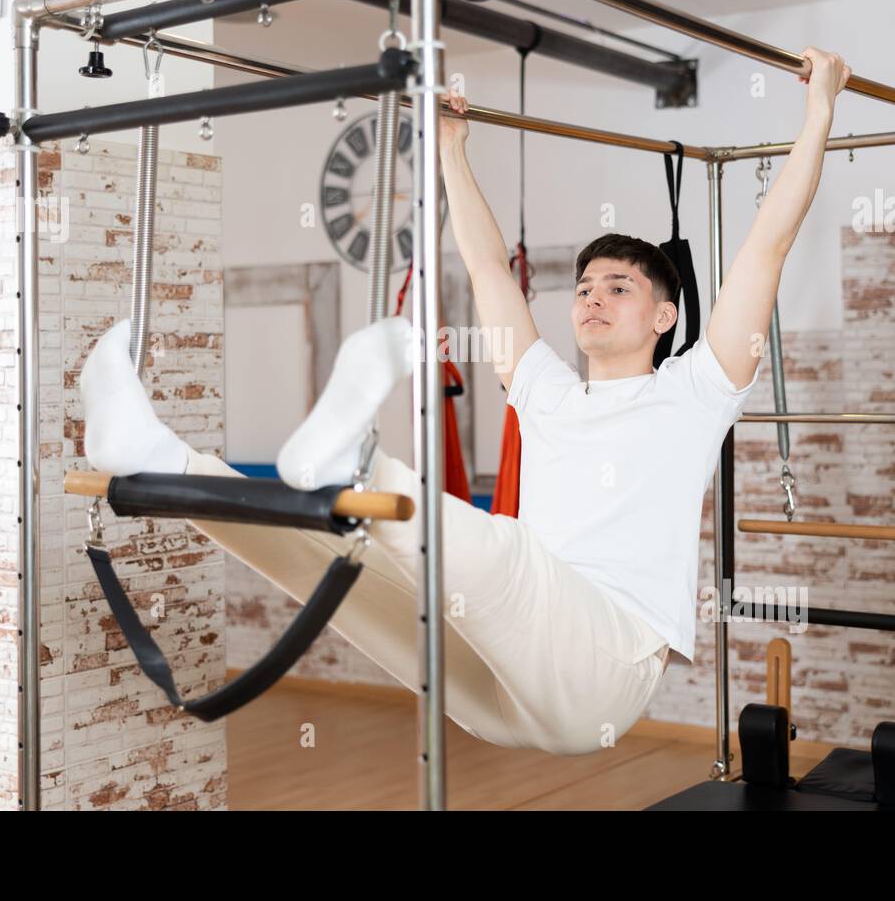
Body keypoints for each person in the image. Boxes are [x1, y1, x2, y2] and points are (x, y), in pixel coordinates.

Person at [80, 47, 852, 755]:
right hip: (488, 685)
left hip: (602, 672)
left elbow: (766, 247)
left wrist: (820, 109)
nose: (592, 299)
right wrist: (449, 149)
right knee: (331, 562)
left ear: (664, 317)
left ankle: (360, 463)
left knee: (511, 557)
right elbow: (486, 267)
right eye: (582, 288)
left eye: (620, 287)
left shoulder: (698, 389)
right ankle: (155, 456)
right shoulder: (545, 387)